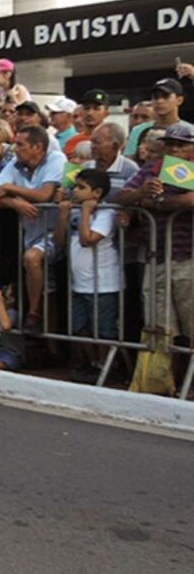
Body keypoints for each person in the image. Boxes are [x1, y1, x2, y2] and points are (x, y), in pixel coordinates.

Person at [116, 122, 194, 393]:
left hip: (189, 257)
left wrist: (157, 204)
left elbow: (190, 202)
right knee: (160, 325)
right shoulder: (153, 168)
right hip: (158, 256)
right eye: (171, 144)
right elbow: (123, 195)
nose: (176, 149)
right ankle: (167, 385)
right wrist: (142, 194)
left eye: (182, 145)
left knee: (191, 323)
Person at [0, 125, 66, 331]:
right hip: (31, 232)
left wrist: (8, 189)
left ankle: (33, 313)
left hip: (55, 231)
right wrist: (15, 203)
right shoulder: (16, 164)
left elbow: (45, 195)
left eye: (21, 145)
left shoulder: (56, 159)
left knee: (32, 258)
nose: (15, 149)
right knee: (47, 288)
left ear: (37, 147)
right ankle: (50, 347)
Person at [55, 169, 122, 383]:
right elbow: (60, 241)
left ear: (97, 192)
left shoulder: (106, 214)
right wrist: (64, 216)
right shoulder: (74, 211)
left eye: (82, 188)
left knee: (102, 329)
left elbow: (87, 239)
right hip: (79, 281)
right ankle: (92, 362)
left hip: (102, 282)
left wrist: (85, 212)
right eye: (76, 186)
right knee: (80, 326)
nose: (75, 191)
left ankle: (105, 365)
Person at [125, 78, 186, 159]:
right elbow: (129, 162)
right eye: (156, 97)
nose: (159, 101)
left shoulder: (189, 131)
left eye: (165, 96)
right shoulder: (139, 130)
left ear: (179, 100)